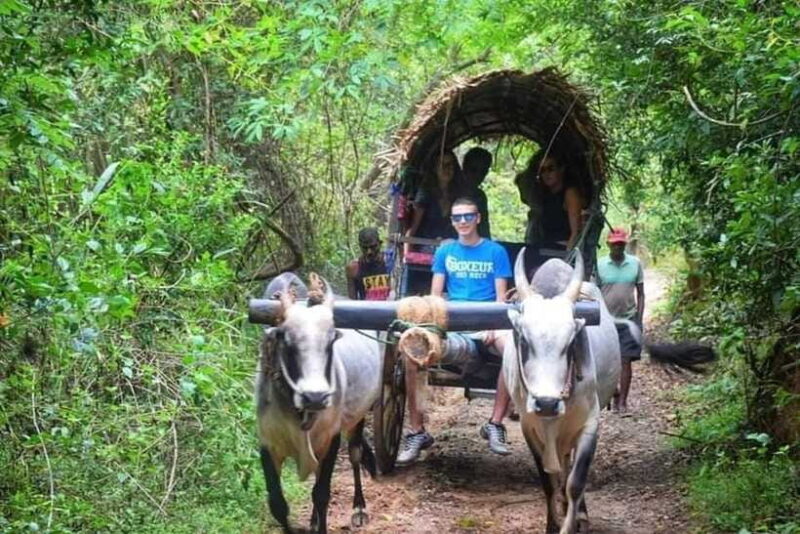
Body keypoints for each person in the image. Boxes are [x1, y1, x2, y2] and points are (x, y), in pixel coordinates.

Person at [397, 197, 514, 466]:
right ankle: (417, 432)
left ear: (478, 218)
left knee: (512, 350)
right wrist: (433, 329)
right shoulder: (445, 252)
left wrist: (494, 325)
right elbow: (436, 297)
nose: (462, 222)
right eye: (457, 218)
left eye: (468, 216)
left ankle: (495, 424)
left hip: (486, 323)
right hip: (451, 325)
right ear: (452, 221)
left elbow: (499, 299)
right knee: (411, 353)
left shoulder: (495, 252)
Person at [596, 228, 645, 414]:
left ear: (625, 245)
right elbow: (594, 293)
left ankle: (622, 402)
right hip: (605, 321)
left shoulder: (635, 264)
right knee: (605, 360)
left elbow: (641, 293)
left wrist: (638, 318)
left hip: (628, 320)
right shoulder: (600, 265)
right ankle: (612, 391)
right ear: (608, 244)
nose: (618, 247)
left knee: (625, 360)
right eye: (614, 244)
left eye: (621, 244)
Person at [515, 150, 585, 250]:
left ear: (561, 169)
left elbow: (576, 232)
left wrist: (567, 258)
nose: (546, 174)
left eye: (550, 168)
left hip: (560, 248)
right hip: (544, 247)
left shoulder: (570, 193)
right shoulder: (544, 195)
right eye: (542, 170)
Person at [345, 227, 391, 301]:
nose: (369, 252)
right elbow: (352, 302)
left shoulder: (389, 263)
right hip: (366, 310)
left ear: (380, 244)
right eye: (365, 248)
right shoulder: (353, 268)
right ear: (360, 246)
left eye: (373, 247)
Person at [461, 147, 492, 238]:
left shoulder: (480, 197)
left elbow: (484, 229)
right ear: (464, 167)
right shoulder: (449, 190)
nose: (478, 176)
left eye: (483, 171)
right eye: (474, 170)